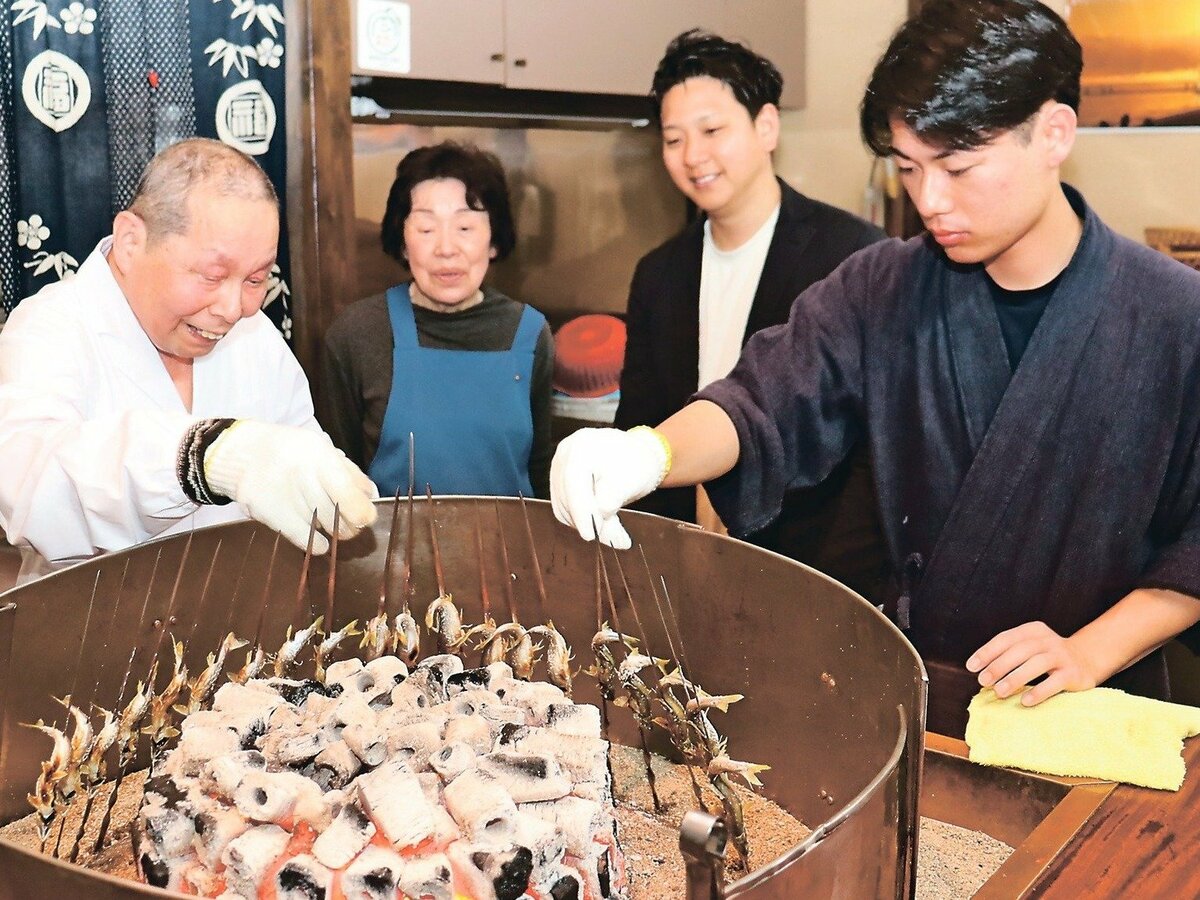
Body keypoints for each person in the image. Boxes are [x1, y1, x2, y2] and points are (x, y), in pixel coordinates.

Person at [551, 0, 1200, 737]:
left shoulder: (1177, 314)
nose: (928, 200)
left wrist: (1088, 652)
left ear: (1053, 133)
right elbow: (760, 401)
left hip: (1101, 710)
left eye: (956, 166)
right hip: (922, 695)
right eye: (907, 168)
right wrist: (648, 450)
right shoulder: (882, 285)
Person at [0, 138, 377, 582]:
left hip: (240, 623)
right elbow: (30, 496)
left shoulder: (256, 338)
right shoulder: (51, 327)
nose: (234, 308)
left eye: (257, 278)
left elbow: (293, 457)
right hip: (96, 629)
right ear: (130, 241)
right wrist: (203, 457)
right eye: (212, 275)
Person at [615, 30, 889, 601]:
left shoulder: (854, 256)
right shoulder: (658, 273)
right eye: (673, 139)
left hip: (810, 574)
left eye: (713, 131)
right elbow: (638, 425)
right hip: (680, 571)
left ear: (766, 126)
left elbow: (873, 444)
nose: (693, 156)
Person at [321, 141, 554, 499]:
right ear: (402, 241)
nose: (446, 248)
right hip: (389, 552)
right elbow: (334, 477)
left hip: (509, 550)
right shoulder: (358, 333)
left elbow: (540, 471)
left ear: (493, 240)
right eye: (427, 229)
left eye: (465, 228)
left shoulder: (529, 333)